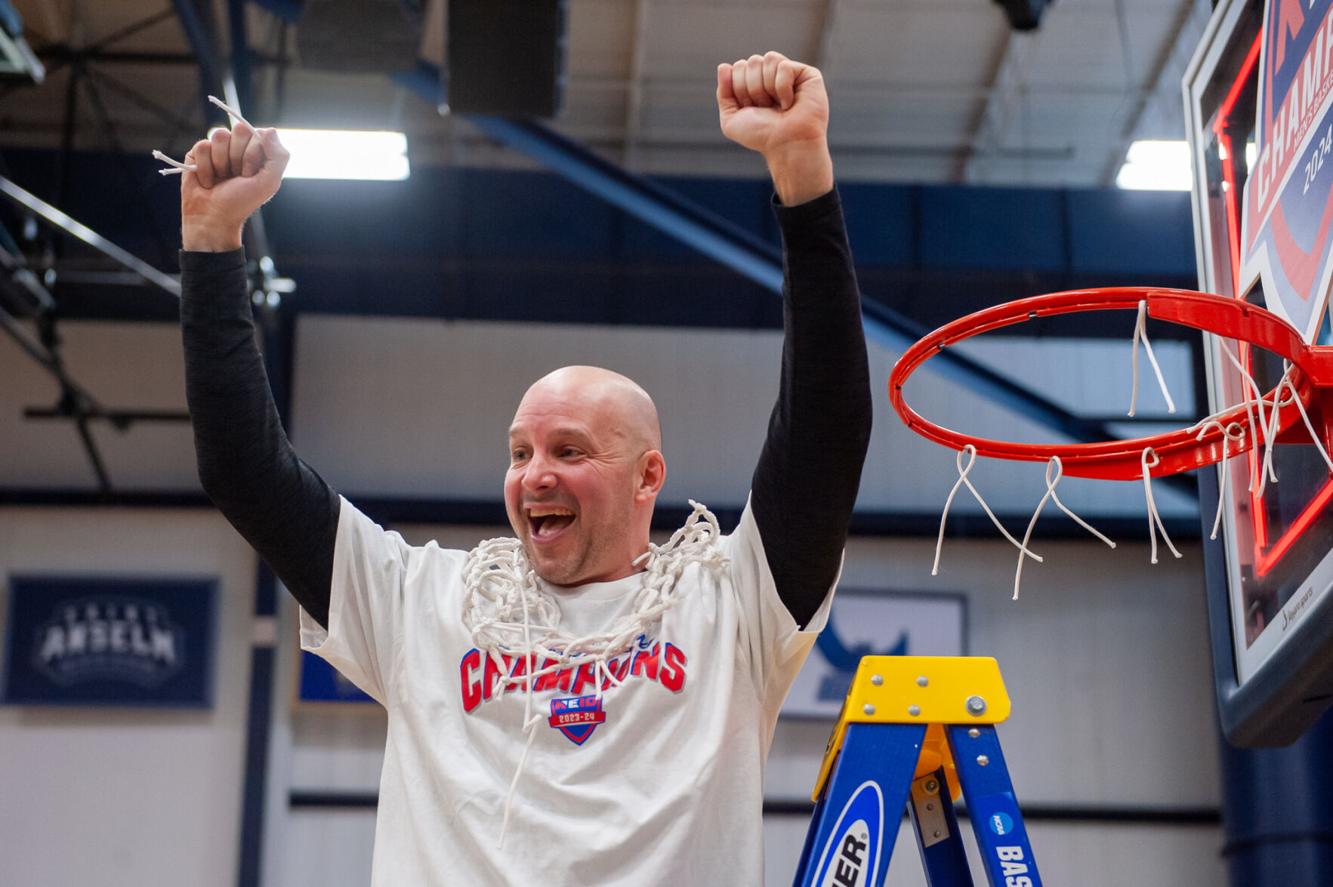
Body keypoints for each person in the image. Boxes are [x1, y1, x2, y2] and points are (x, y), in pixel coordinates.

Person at [178, 51, 871, 886]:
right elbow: (242, 471)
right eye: (519, 452)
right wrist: (213, 247)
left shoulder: (733, 601)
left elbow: (825, 425)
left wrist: (801, 176)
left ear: (649, 475)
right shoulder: (419, 600)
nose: (533, 474)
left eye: (569, 450)